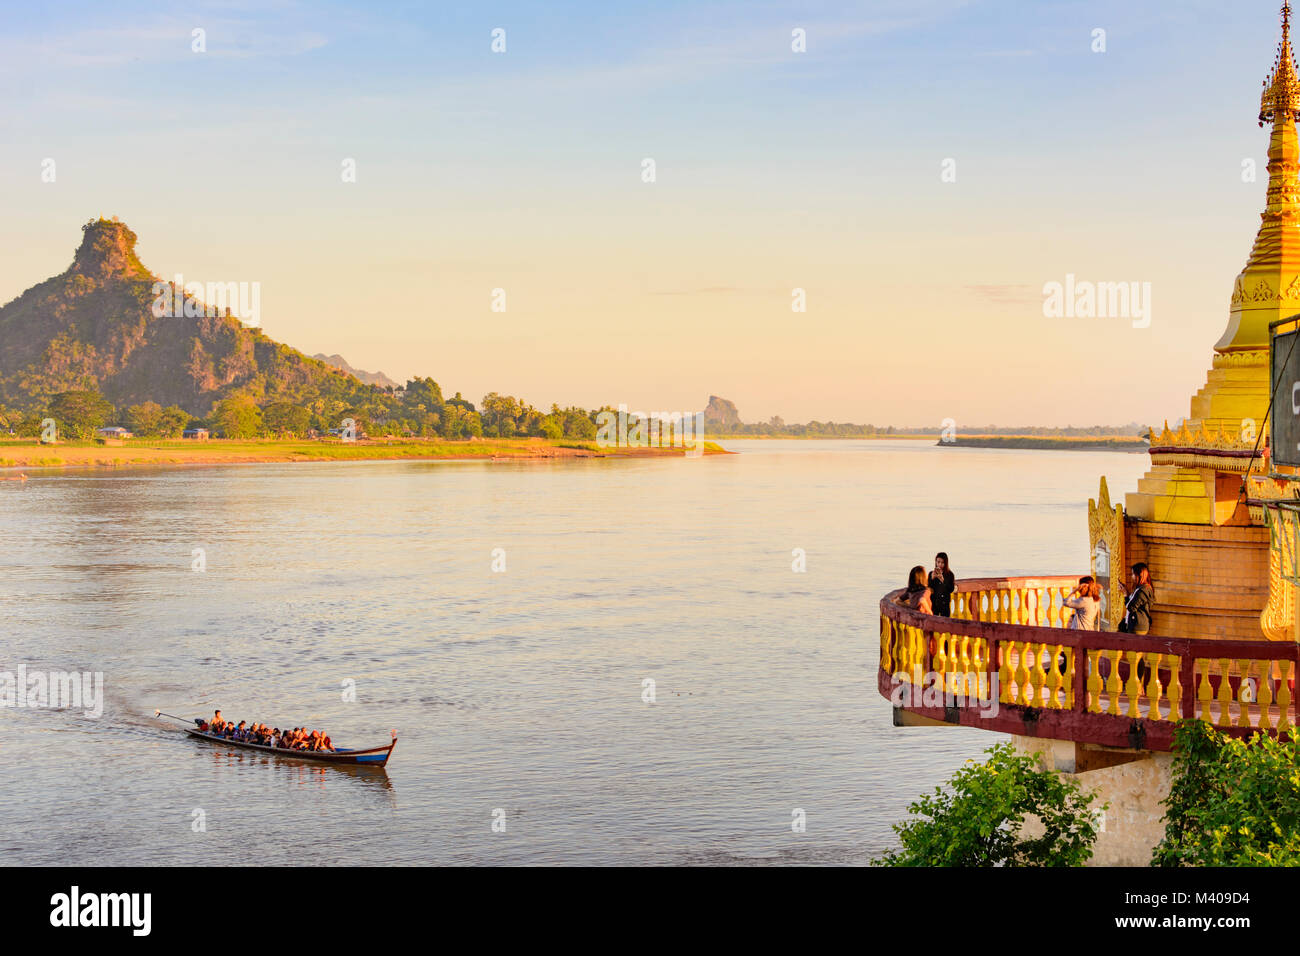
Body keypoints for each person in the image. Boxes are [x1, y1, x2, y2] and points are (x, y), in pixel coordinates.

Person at [1121, 563, 1155, 636]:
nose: (1132, 577)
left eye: (1133, 574)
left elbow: (1131, 607)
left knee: (1134, 646)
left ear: (1139, 575)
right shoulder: (1142, 588)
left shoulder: (1143, 590)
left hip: (1137, 626)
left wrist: (1125, 594)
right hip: (1137, 625)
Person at [928, 552, 956, 617]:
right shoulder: (931, 573)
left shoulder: (950, 574)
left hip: (945, 604)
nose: (940, 564)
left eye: (942, 562)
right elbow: (928, 589)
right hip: (934, 603)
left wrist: (943, 580)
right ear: (935, 562)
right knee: (934, 623)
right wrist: (932, 578)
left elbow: (951, 589)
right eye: (938, 562)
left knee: (945, 623)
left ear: (946, 563)